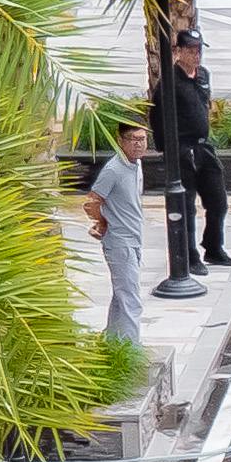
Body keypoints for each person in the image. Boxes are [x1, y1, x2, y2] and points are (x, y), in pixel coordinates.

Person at [148, 19, 231, 292]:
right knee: (185, 207)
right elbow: (157, 117)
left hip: (203, 146)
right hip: (182, 149)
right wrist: (168, 151)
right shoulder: (169, 82)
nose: (196, 55)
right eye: (191, 50)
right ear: (179, 51)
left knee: (218, 201)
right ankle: (190, 256)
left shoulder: (203, 75)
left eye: (199, 50)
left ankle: (213, 247)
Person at [89, 112, 149, 350]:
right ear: (120, 141)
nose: (139, 144)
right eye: (133, 139)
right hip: (120, 241)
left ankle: (113, 343)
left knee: (122, 295)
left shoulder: (137, 165)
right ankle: (132, 350)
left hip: (134, 239)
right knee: (130, 299)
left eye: (142, 139)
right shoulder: (114, 170)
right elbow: (92, 201)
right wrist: (102, 223)